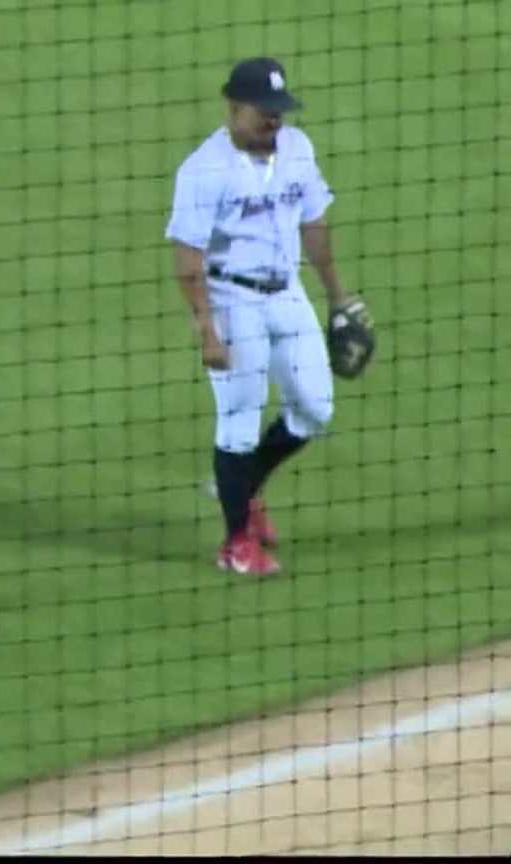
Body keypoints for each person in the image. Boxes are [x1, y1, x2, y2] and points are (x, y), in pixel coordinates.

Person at [163, 57, 358, 576]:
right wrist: (207, 329)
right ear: (234, 107)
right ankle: (234, 544)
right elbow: (187, 261)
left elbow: (314, 223)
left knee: (315, 409)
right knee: (239, 422)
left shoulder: (298, 150)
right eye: (263, 111)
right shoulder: (204, 169)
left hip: (286, 293)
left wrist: (339, 297)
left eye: (280, 110)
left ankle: (246, 489)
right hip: (231, 300)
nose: (274, 120)